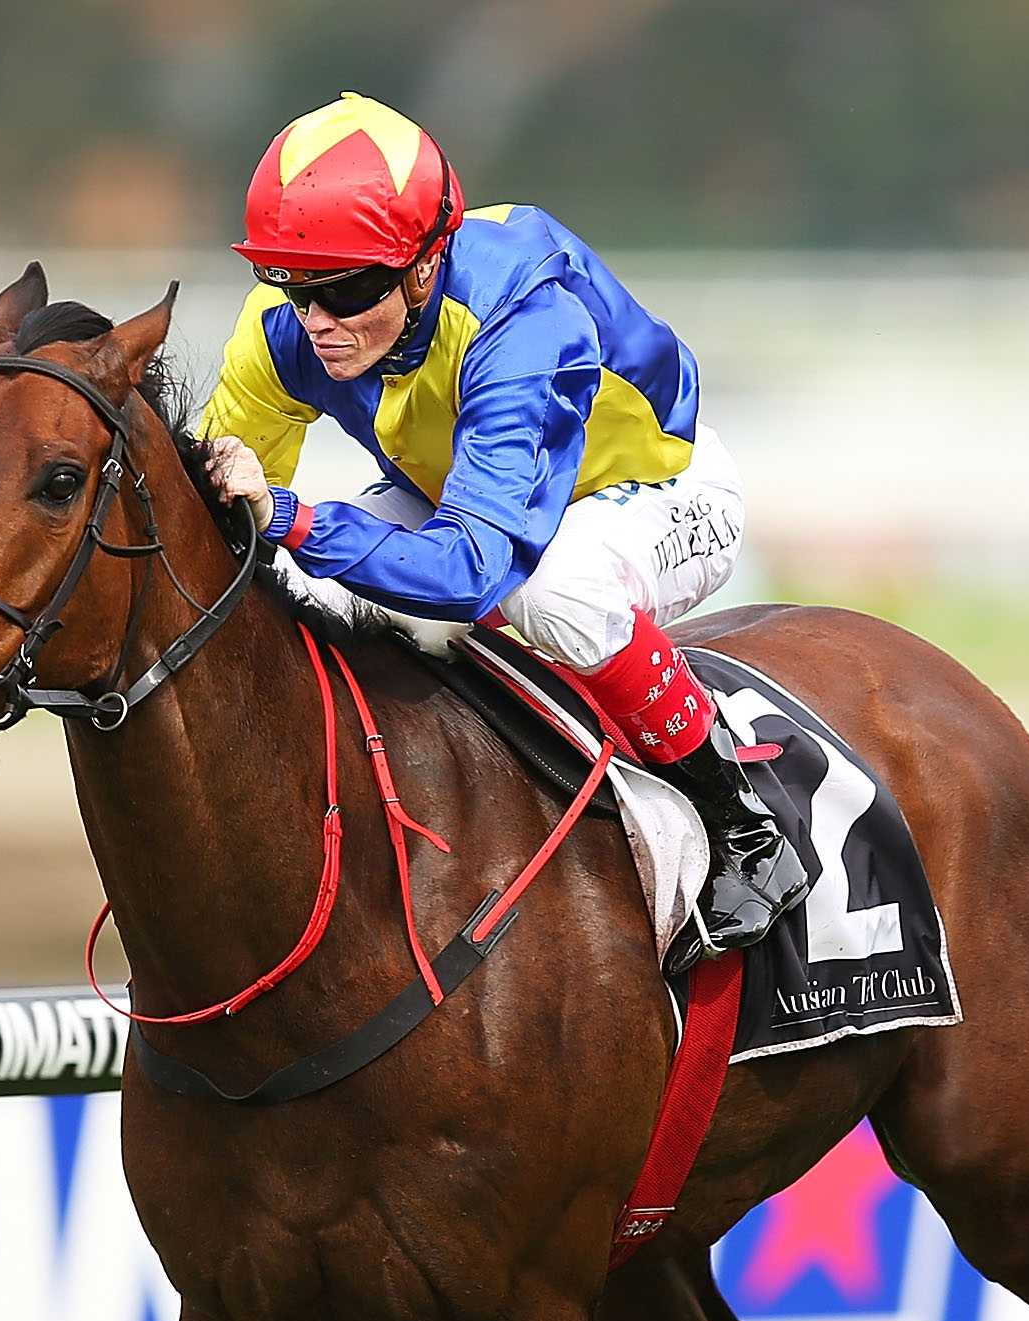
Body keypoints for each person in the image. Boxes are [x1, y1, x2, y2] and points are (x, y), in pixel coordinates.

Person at [194, 91, 806, 966]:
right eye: (292, 288)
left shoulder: (521, 318)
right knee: (306, 580)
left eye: (347, 291)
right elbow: (220, 519)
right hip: (471, 497)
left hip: (658, 489)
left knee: (553, 592)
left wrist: (288, 516)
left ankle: (739, 823)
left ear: (422, 267)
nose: (317, 322)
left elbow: (474, 570)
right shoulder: (284, 331)